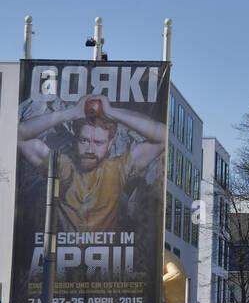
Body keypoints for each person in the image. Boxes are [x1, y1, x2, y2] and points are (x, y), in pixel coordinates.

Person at [16, 94, 167, 234]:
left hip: (108, 260)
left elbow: (163, 136)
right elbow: (20, 135)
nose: (90, 149)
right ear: (76, 139)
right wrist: (71, 113)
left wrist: (112, 112)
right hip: (59, 259)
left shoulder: (119, 168)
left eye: (99, 142)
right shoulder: (60, 165)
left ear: (109, 144)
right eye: (84, 140)